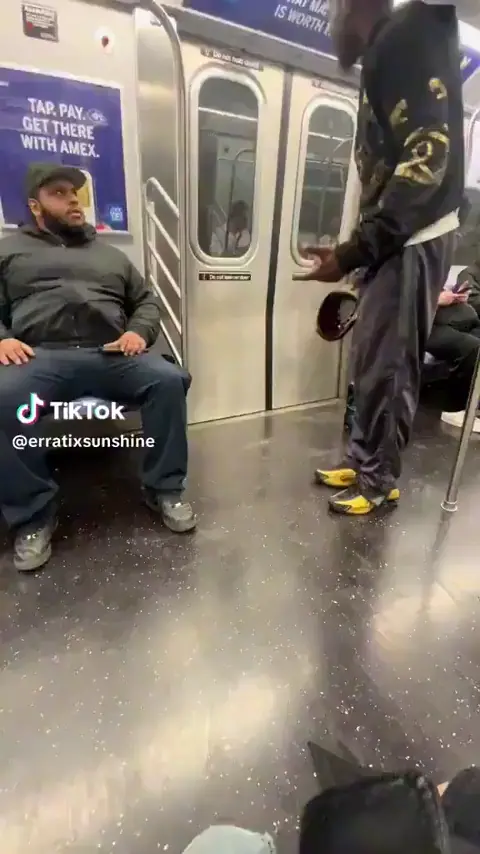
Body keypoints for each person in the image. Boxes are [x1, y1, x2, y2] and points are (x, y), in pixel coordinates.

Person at [295, 0, 464, 515]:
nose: (331, 23)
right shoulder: (386, 50)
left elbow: (426, 158)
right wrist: (357, 248)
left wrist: (354, 252)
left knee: (390, 368)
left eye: (335, 10)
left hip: (413, 235)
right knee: (369, 364)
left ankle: (379, 480)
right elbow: (381, 172)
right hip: (391, 239)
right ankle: (364, 456)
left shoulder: (406, 38)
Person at [0, 162, 196, 572]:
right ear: (36, 206)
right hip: (40, 355)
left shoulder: (110, 255)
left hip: (109, 353)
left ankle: (164, 488)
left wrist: (139, 332)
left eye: (76, 193)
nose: (73, 200)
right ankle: (33, 516)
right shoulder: (10, 252)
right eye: (59, 193)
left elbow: (146, 301)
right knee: (5, 396)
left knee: (168, 380)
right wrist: (3, 339)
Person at [427, 283, 480, 431]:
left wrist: (453, 296)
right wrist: (437, 299)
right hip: (422, 327)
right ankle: (459, 409)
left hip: (445, 320)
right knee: (474, 348)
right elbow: (403, 303)